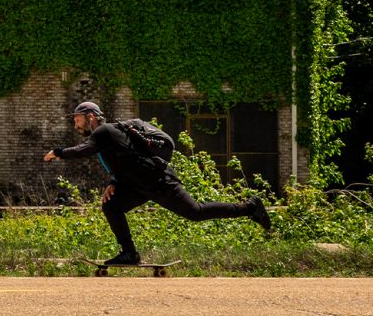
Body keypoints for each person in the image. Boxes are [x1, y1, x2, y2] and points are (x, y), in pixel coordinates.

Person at [42, 101, 271, 266]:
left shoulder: (104, 131)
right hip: (139, 187)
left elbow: (84, 150)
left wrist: (59, 152)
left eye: (77, 118)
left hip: (159, 181)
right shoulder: (106, 137)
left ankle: (250, 207)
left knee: (196, 212)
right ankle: (129, 254)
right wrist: (114, 182)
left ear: (90, 116)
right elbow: (124, 159)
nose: (75, 123)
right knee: (111, 205)